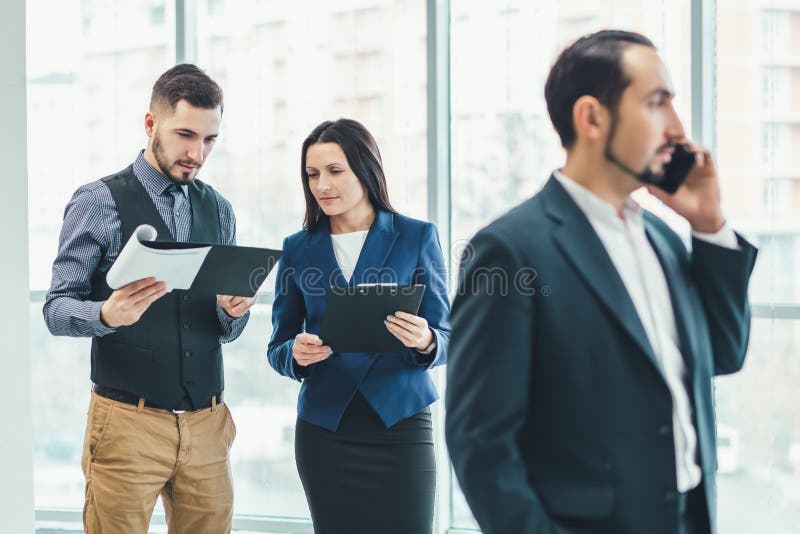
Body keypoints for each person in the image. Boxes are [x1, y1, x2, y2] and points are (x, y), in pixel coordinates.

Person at [445, 30, 757, 534]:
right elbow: (480, 445)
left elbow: (724, 352)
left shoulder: (664, 239)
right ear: (591, 117)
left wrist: (709, 226)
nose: (678, 128)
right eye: (658, 103)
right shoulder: (511, 251)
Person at [43, 64, 255, 534]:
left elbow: (227, 330)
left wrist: (230, 311)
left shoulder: (219, 209)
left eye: (209, 140)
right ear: (150, 124)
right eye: (185, 135)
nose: (196, 153)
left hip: (207, 426)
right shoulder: (97, 201)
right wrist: (105, 313)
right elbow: (56, 308)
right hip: (126, 426)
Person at [267, 118, 450, 534]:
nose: (321, 185)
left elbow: (447, 336)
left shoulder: (416, 237)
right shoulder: (298, 248)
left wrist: (424, 340)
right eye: (312, 174)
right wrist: (295, 355)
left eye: (335, 171)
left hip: (400, 423)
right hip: (325, 430)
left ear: (365, 169)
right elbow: (277, 346)